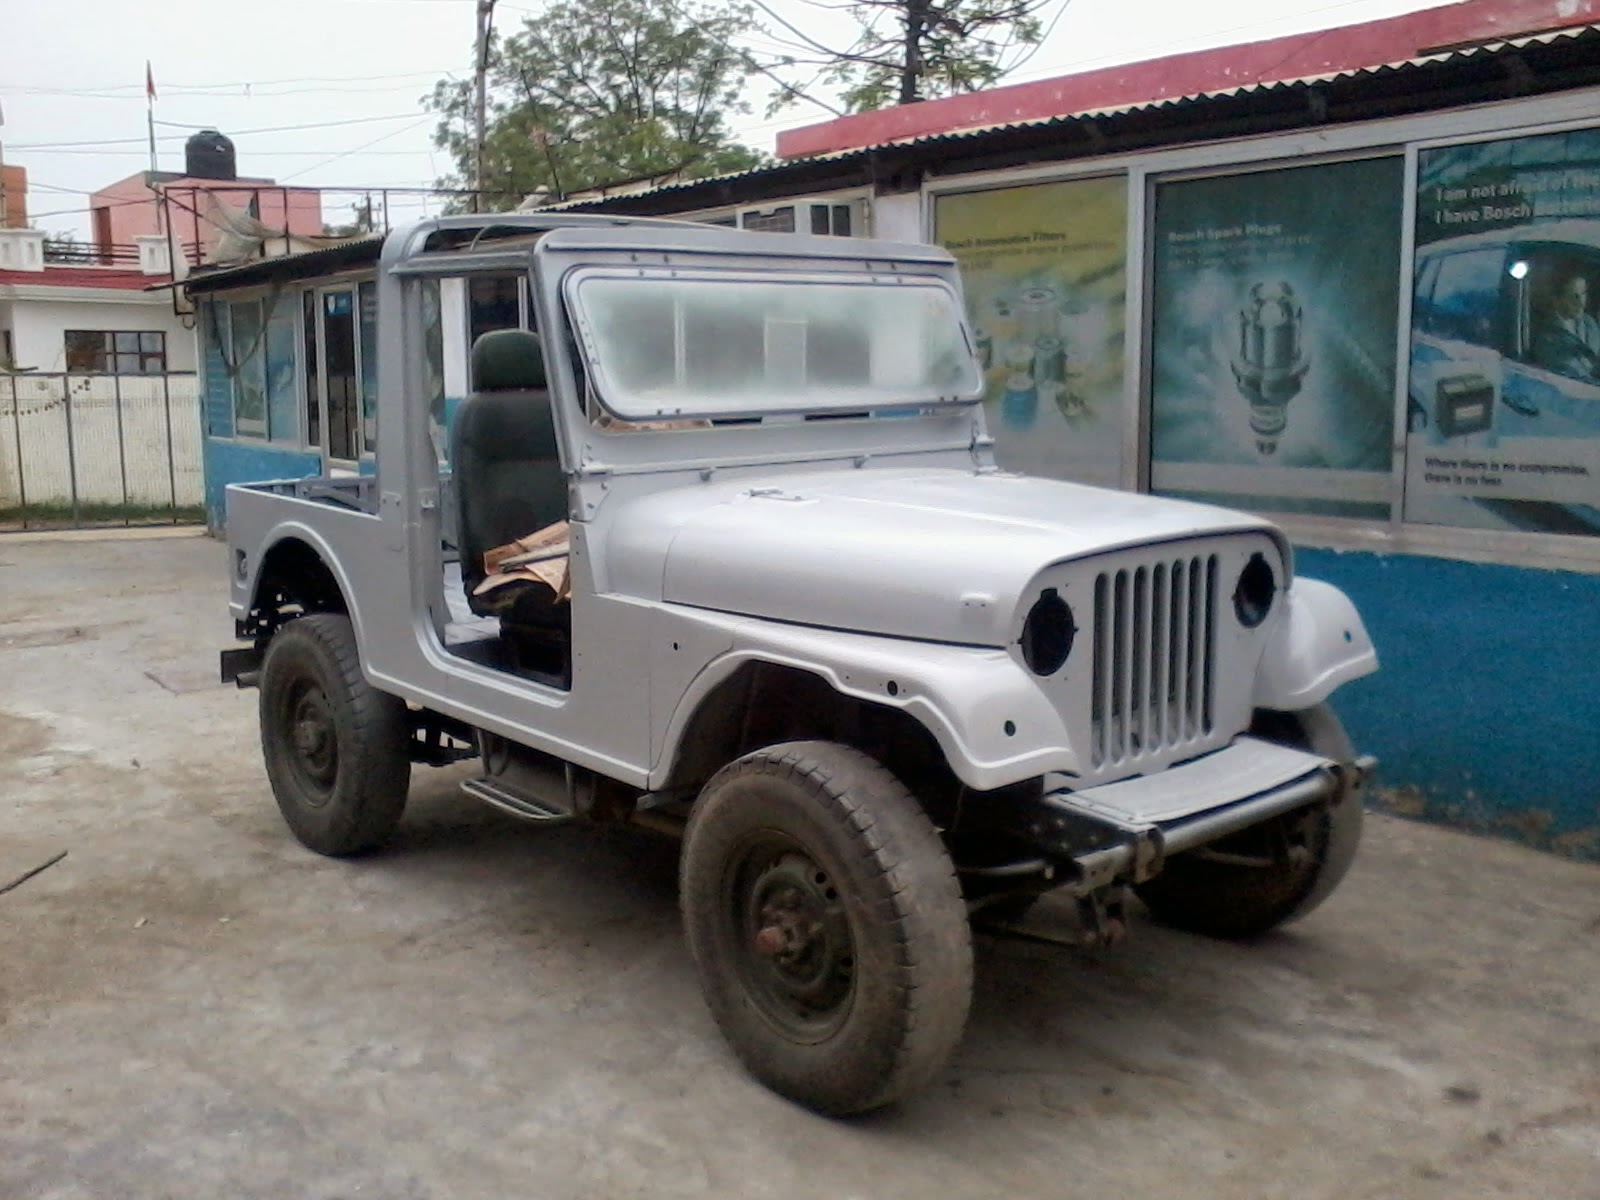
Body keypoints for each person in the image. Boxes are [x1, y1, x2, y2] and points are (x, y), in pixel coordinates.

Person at [1532, 269, 1600, 382]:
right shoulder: (1547, 338)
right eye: (1573, 296)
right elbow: (1571, 374)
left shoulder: (1590, 324)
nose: (1581, 302)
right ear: (1557, 300)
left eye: (1583, 293)